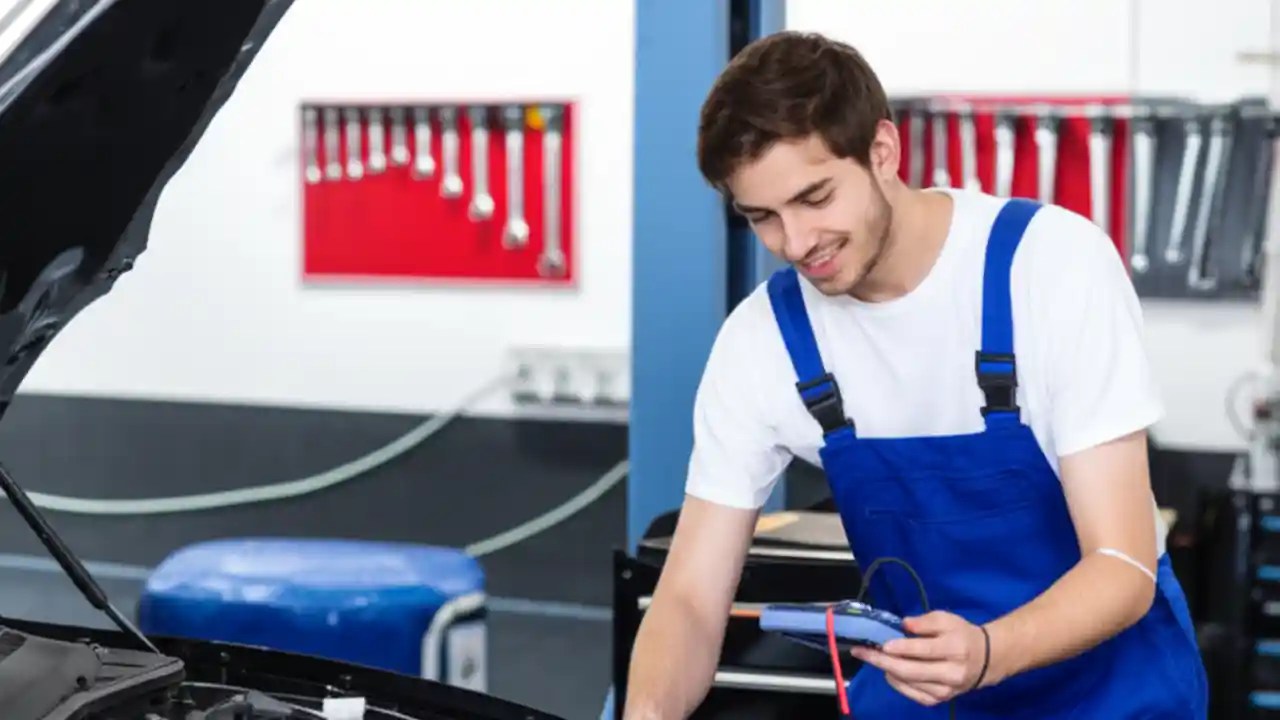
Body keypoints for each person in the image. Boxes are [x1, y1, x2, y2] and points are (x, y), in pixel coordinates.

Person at [621, 30, 1209, 720]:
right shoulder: (764, 341)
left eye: (815, 198)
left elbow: (1124, 567)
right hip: (925, 700)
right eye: (763, 218)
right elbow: (690, 596)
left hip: (1113, 697)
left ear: (882, 152)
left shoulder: (1050, 268)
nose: (797, 242)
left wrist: (989, 651)